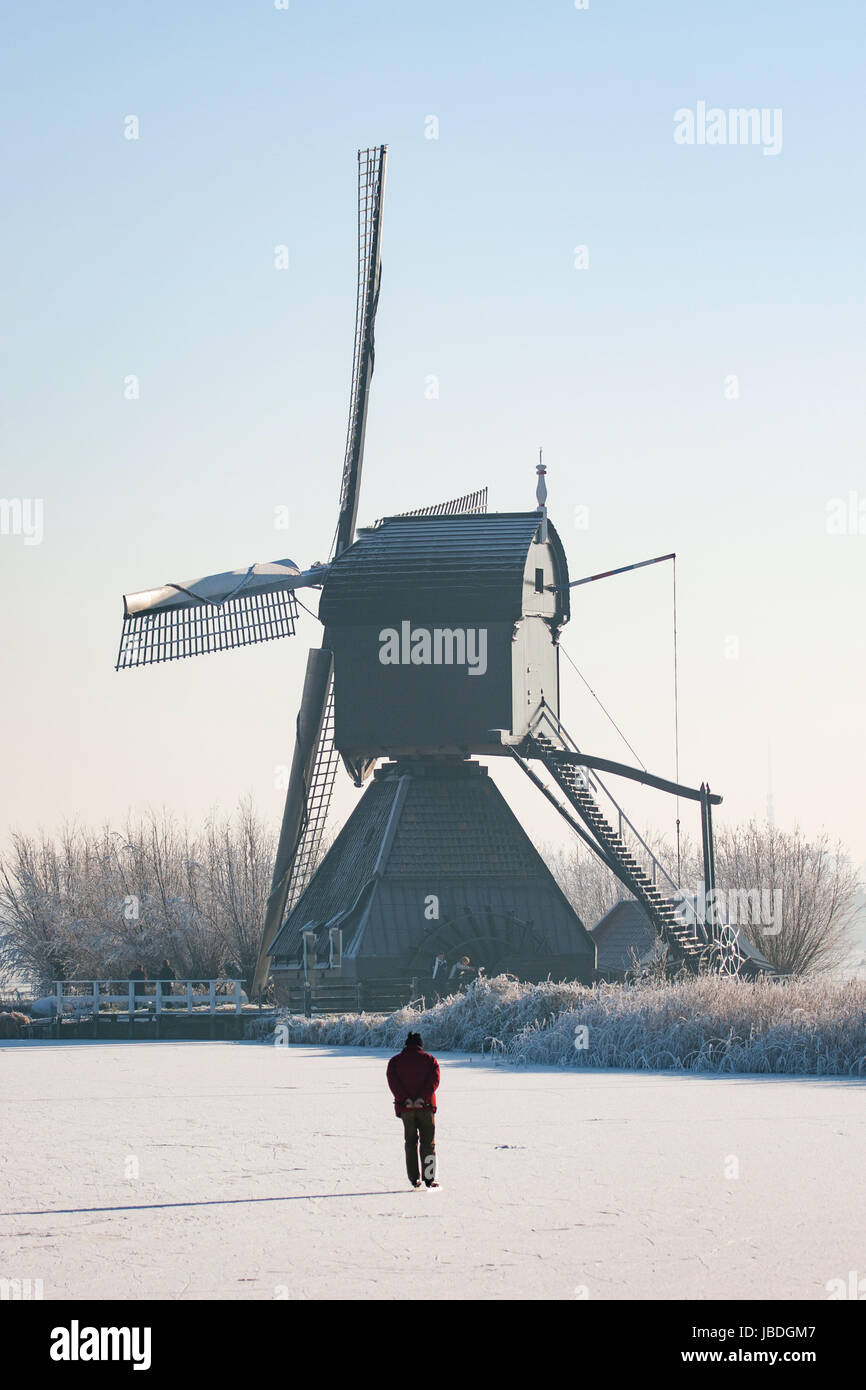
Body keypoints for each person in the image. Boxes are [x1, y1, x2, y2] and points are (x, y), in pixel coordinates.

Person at [386, 1031, 440, 1189]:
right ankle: (429, 1178)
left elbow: (393, 1082)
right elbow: (434, 1080)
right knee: (428, 1144)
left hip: (406, 1109)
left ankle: (414, 1178)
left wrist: (405, 1099)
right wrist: (422, 1098)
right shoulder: (430, 1060)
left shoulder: (395, 1062)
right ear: (420, 1044)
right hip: (426, 1107)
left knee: (410, 1143)